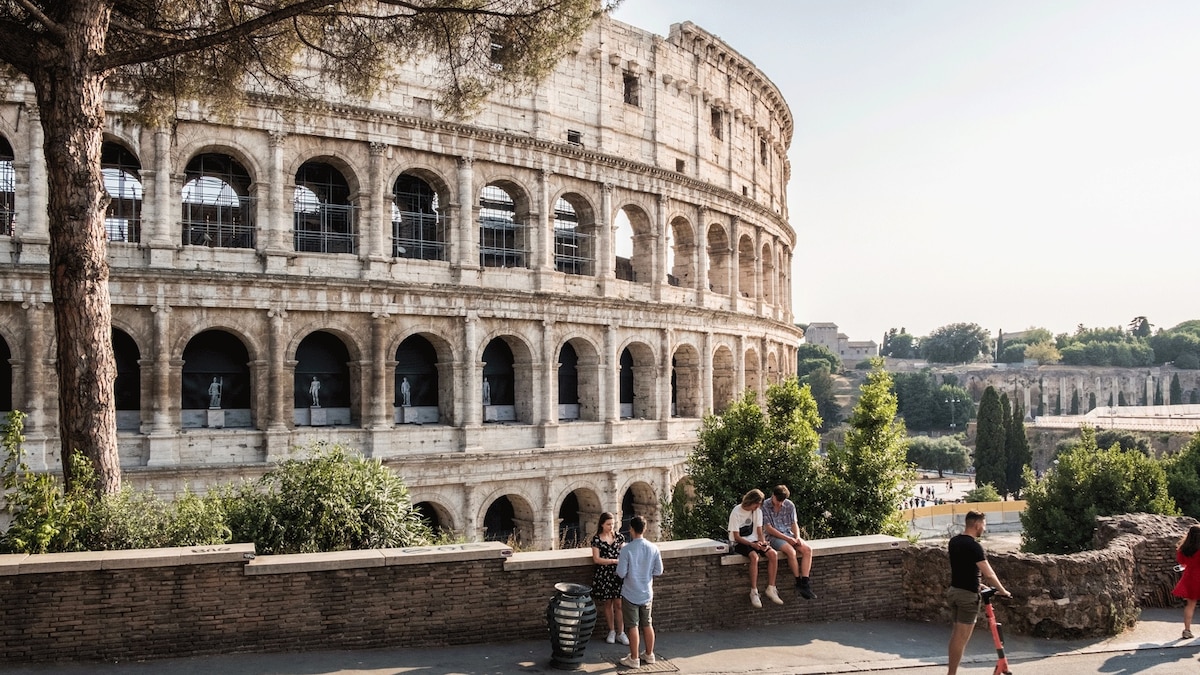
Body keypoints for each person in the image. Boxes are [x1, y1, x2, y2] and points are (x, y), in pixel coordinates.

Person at [946, 510, 1011, 675]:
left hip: (954, 591)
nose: (984, 528)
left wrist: (978, 584)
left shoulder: (954, 542)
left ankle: (951, 672)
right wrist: (1003, 591)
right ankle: (951, 674)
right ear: (977, 524)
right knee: (961, 638)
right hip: (967, 596)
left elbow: (963, 569)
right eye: (984, 524)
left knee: (956, 636)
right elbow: (989, 573)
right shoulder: (974, 546)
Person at [616, 515, 662, 670]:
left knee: (632, 625)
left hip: (631, 592)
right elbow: (659, 570)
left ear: (631, 529)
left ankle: (634, 658)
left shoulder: (626, 549)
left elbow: (621, 573)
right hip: (646, 592)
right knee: (647, 624)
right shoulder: (653, 548)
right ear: (645, 529)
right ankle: (649, 654)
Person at [729, 488, 783, 608]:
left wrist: (763, 543)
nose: (757, 507)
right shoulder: (736, 512)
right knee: (754, 557)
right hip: (740, 542)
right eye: (756, 504)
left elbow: (759, 531)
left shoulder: (757, 511)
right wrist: (752, 545)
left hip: (754, 540)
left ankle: (771, 587)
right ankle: (754, 591)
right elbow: (736, 536)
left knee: (773, 554)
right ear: (750, 501)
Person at [762, 485, 817, 599]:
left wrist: (797, 537)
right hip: (773, 536)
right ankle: (797, 580)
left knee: (807, 550)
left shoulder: (789, 505)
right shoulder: (765, 506)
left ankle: (805, 582)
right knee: (790, 551)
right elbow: (768, 528)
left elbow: (794, 523)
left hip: (789, 533)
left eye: (782, 501)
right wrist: (788, 539)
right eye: (777, 501)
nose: (779, 504)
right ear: (773, 495)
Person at [589, 512, 627, 646]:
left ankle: (621, 632)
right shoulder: (596, 539)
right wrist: (612, 561)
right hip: (604, 574)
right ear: (602, 524)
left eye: (612, 524)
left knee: (619, 604)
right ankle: (611, 630)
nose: (611, 527)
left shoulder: (620, 538)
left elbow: (625, 554)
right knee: (607, 604)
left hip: (617, 575)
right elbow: (596, 559)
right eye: (608, 524)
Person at [1172, 524, 1200, 640]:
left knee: (1190, 605)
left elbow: (1182, 562)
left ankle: (1187, 630)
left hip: (1189, 578)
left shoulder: (1183, 549)